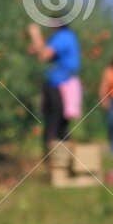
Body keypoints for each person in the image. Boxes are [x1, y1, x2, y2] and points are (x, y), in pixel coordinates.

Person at [27, 18, 80, 153]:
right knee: (60, 121)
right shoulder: (66, 37)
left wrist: (35, 35)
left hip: (58, 84)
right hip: (61, 83)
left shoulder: (62, 37)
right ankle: (60, 157)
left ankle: (53, 155)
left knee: (54, 120)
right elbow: (37, 51)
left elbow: (43, 55)